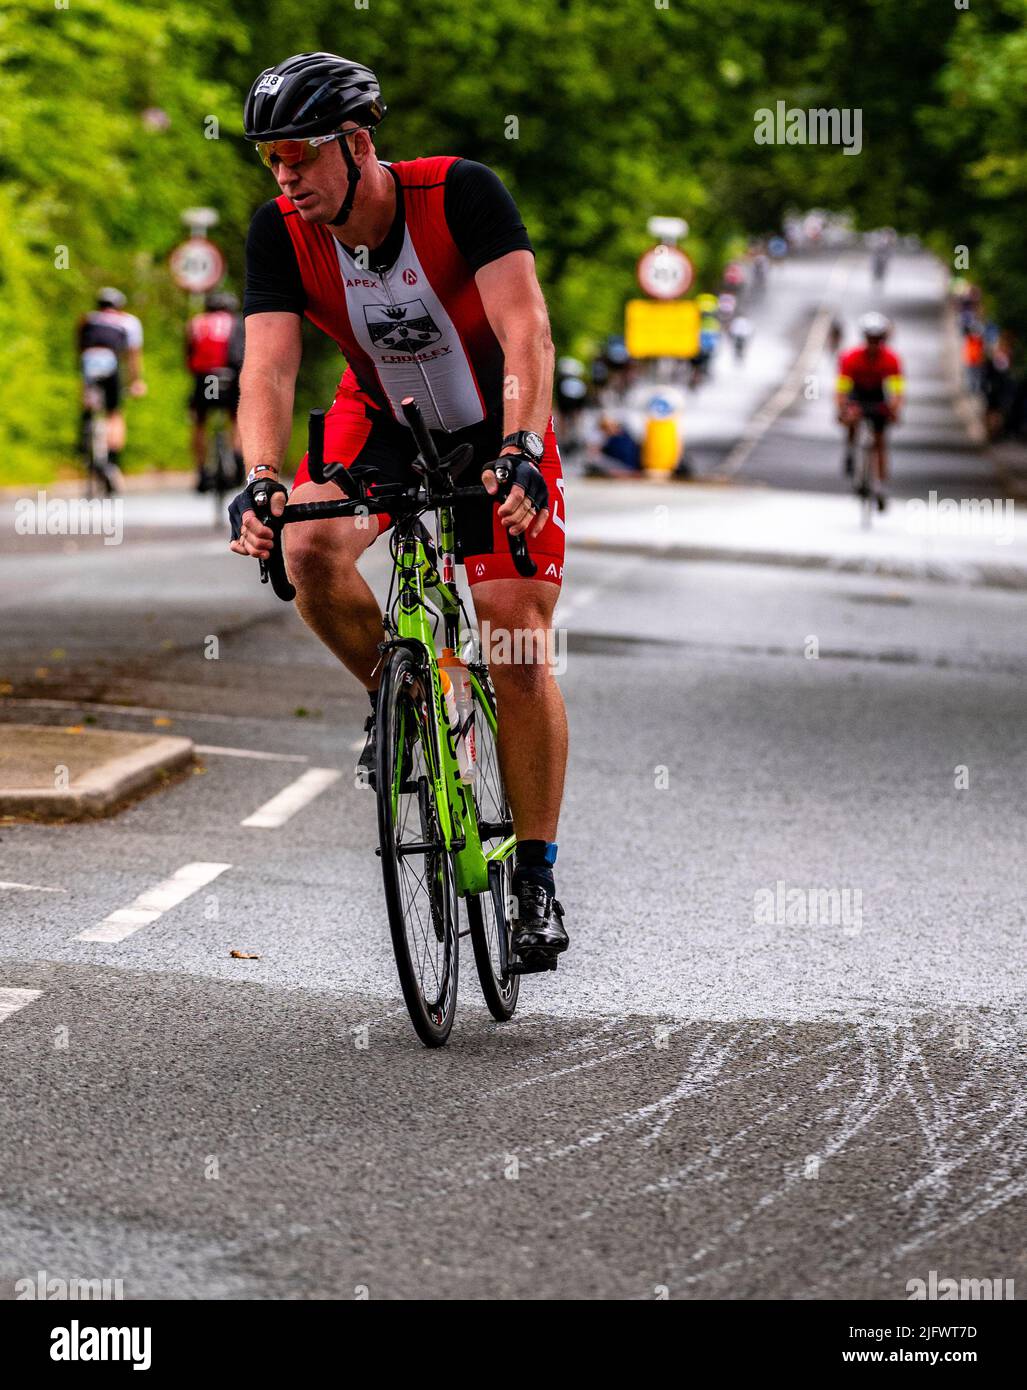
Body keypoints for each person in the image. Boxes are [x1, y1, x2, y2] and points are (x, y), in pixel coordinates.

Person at [229, 52, 568, 960]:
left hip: (493, 424)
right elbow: (266, 365)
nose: (287, 175)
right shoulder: (279, 233)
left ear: (359, 142)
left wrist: (524, 448)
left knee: (511, 642)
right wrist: (261, 477)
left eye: (300, 153)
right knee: (306, 546)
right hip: (381, 414)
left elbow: (524, 327)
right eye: (273, 160)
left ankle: (535, 877)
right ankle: (404, 700)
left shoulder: (459, 193)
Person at [76, 288, 146, 489]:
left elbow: (80, 348)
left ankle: (85, 438)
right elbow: (133, 356)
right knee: (114, 413)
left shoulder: (87, 319)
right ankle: (112, 463)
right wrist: (136, 381)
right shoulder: (128, 321)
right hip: (110, 364)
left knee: (89, 402)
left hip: (88, 363)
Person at [836, 311, 904, 509]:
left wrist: (894, 409)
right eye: (870, 339)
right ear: (864, 338)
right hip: (857, 394)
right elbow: (841, 390)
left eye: (877, 339)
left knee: (880, 442)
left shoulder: (891, 360)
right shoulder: (851, 358)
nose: (873, 344)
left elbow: (897, 392)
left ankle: (881, 486)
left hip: (877, 396)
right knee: (852, 417)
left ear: (883, 339)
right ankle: (850, 449)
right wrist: (843, 409)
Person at [187, 290, 245, 490]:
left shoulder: (196, 322)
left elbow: (188, 353)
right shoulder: (237, 322)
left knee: (200, 421)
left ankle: (202, 471)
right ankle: (238, 460)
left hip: (206, 377)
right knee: (237, 417)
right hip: (230, 376)